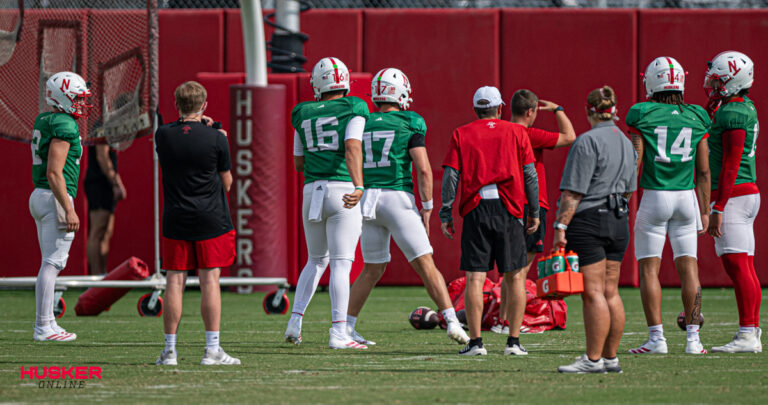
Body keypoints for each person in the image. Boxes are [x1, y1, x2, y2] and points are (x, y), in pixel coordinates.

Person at [345, 68, 469, 346]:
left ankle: (347, 327)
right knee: (426, 264)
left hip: (366, 201)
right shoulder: (409, 121)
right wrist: (427, 206)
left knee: (372, 269)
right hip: (396, 197)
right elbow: (423, 169)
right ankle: (451, 321)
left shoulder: (361, 120)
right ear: (399, 93)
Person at [440, 86, 539, 356]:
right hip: (509, 208)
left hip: (476, 207)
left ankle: (475, 343)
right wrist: (534, 211)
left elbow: (451, 175)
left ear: (476, 109)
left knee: (475, 277)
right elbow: (530, 174)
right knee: (515, 276)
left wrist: (446, 212)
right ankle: (513, 342)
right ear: (499, 108)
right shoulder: (517, 131)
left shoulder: (462, 133)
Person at [626, 56, 711, 355]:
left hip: (655, 196)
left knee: (650, 271)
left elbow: (636, 161)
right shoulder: (697, 115)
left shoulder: (641, 113)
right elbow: (703, 170)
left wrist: (625, 196)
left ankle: (656, 339)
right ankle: (693, 340)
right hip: (687, 198)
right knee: (690, 270)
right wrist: (705, 209)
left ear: (651, 81)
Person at [284, 57, 369, 350]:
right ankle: (338, 332)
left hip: (312, 190)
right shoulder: (354, 106)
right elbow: (352, 147)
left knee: (316, 259)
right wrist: (359, 185)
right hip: (342, 187)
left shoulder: (302, 112)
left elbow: (298, 162)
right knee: (342, 264)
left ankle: (294, 323)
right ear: (344, 81)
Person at [154, 81, 239, 366]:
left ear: (176, 104)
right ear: (204, 105)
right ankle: (212, 349)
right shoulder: (217, 138)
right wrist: (215, 131)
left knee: (174, 282)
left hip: (175, 216)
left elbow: (179, 130)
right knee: (209, 281)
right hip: (210, 217)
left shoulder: (163, 135)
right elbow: (227, 183)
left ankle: (169, 352)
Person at [554, 86, 636, 373]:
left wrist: (560, 226)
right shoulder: (627, 142)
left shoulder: (586, 141)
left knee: (592, 292)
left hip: (590, 219)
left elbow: (573, 192)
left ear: (589, 110)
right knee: (611, 291)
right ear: (614, 110)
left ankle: (592, 359)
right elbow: (629, 190)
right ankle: (611, 358)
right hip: (619, 218)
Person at [492, 89, 575, 339]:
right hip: (531, 205)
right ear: (530, 112)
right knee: (521, 270)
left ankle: (502, 318)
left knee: (510, 268)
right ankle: (509, 323)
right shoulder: (529, 134)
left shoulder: (502, 132)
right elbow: (569, 136)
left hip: (505, 202)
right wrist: (558, 109)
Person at [704, 51, 762, 353]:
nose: (712, 85)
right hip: (743, 193)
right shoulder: (740, 106)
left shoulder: (733, 113)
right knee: (743, 266)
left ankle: (748, 334)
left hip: (735, 194)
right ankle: (750, 331)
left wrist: (719, 207)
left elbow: (729, 164)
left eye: (717, 79)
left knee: (738, 266)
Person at [30, 71, 91, 342]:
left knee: (51, 263)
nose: (80, 103)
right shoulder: (64, 124)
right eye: (76, 98)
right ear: (62, 97)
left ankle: (49, 323)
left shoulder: (46, 118)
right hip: (54, 195)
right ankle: (43, 326)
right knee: (53, 263)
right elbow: (55, 173)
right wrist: (68, 207)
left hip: (42, 194)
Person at [84, 144, 127, 275]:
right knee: (97, 232)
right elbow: (102, 157)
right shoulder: (101, 126)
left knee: (106, 233)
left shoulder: (111, 128)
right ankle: (96, 278)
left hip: (107, 184)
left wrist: (118, 183)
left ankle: (103, 275)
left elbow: (110, 160)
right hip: (99, 183)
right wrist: (115, 183)